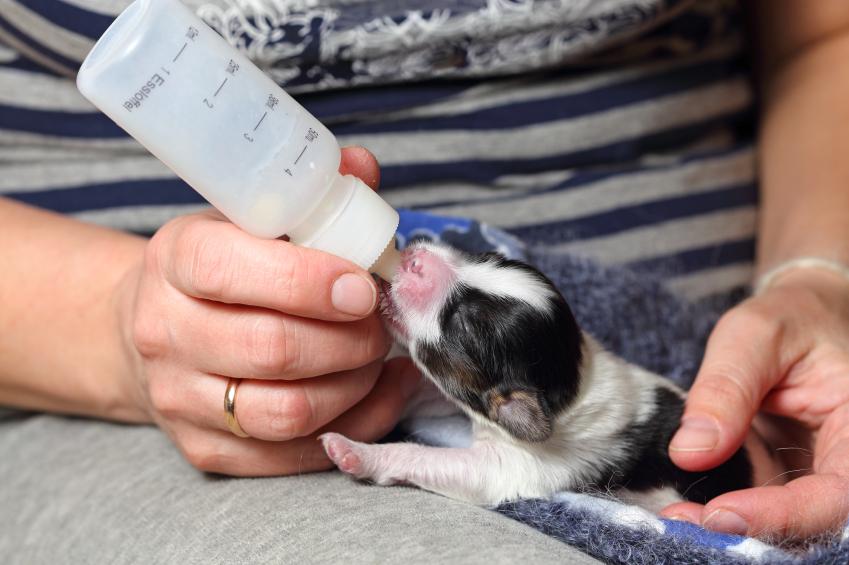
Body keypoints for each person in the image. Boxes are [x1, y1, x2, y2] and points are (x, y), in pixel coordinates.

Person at [0, 0, 848, 560]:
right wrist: (114, 328)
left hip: (745, 375)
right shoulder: (513, 390)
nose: (420, 264)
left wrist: (820, 279)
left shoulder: (531, 429)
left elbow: (825, 35)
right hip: (90, 391)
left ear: (508, 408)